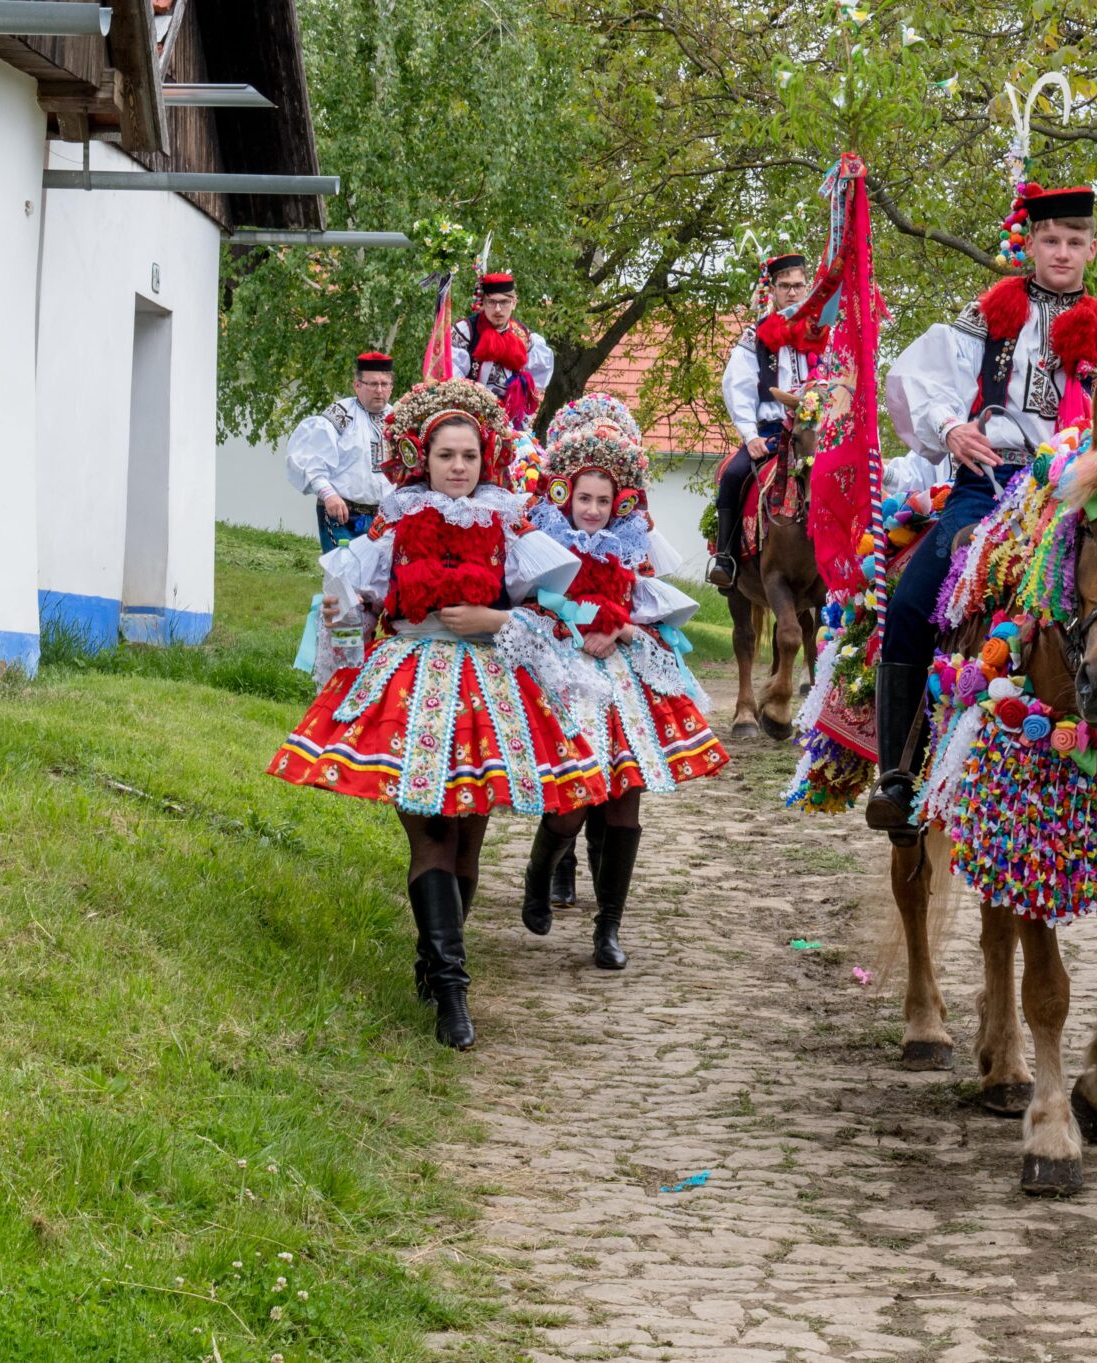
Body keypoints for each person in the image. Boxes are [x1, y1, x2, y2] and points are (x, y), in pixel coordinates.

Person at [268, 379, 609, 1050]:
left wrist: (496, 616)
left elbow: (551, 614)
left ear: (487, 460)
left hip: (485, 691)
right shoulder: (394, 520)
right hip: (409, 679)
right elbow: (361, 595)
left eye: (469, 456)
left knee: (465, 844)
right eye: (446, 455)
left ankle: (435, 960)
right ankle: (453, 993)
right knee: (428, 835)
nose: (458, 467)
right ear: (423, 458)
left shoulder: (511, 522)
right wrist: (343, 612)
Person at [868, 184, 1097, 839]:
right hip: (988, 489)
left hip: (1081, 500)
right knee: (911, 598)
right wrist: (949, 426)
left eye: (1075, 241)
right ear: (1029, 243)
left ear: (1092, 249)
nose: (1062, 252)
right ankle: (898, 772)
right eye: (1050, 239)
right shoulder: (988, 316)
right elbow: (921, 380)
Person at [517, 417, 728, 969]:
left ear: (619, 503)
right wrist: (572, 625)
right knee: (572, 805)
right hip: (566, 675)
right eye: (583, 497)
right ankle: (539, 876)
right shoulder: (542, 541)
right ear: (565, 496)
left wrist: (622, 629)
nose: (591, 509)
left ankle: (608, 927)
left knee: (625, 809)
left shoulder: (628, 548)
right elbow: (529, 605)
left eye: (602, 500)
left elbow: (649, 611)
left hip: (621, 683)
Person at [708, 251, 815, 589]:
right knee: (733, 474)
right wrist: (749, 435)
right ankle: (726, 558)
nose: (793, 293)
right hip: (769, 433)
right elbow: (736, 386)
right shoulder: (755, 338)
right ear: (772, 290)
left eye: (799, 286)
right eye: (785, 286)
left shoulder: (820, 335)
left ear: (808, 287)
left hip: (813, 430)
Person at [285, 352, 395, 550]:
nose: (379, 390)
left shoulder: (397, 419)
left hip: (383, 517)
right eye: (372, 384)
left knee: (378, 578)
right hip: (342, 513)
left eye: (384, 384)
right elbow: (312, 460)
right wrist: (329, 495)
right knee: (344, 575)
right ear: (357, 385)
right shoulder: (340, 415)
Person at [450, 272, 555, 430]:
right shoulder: (466, 331)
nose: (498, 309)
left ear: (514, 302)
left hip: (510, 423)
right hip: (469, 419)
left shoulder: (525, 337)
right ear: (482, 303)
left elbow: (537, 381)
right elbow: (451, 377)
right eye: (491, 302)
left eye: (504, 302)